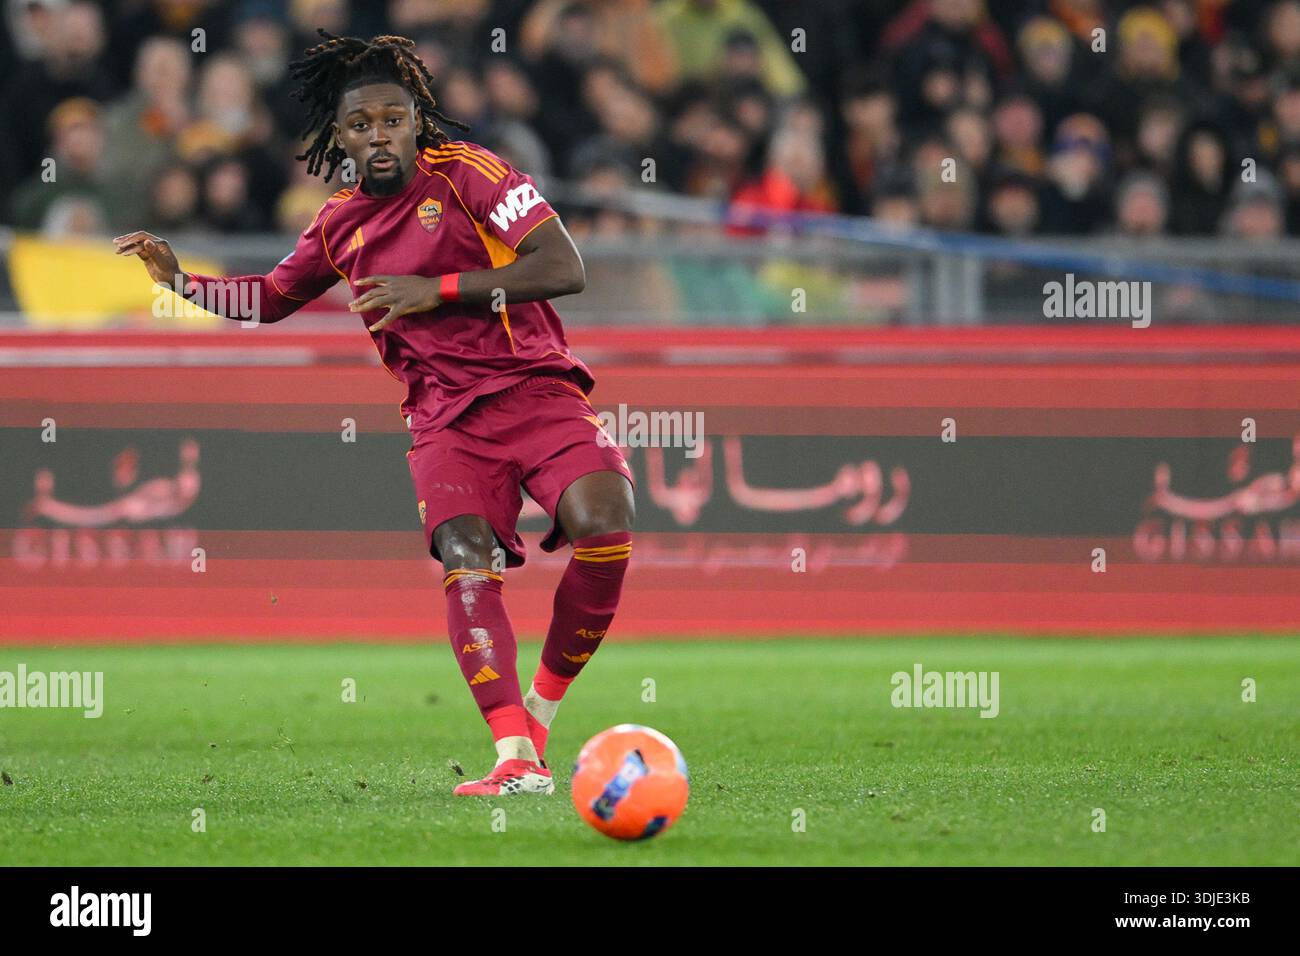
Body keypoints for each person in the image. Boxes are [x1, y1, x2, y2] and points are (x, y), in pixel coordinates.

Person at [113, 31, 635, 797]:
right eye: (361, 126)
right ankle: (513, 754)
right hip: (443, 422)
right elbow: (266, 301)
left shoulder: (474, 175)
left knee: (607, 522)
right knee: (465, 557)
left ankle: (542, 709)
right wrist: (182, 282)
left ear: (418, 118)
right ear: (341, 137)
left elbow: (564, 267)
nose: (378, 136)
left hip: (535, 388)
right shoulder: (337, 224)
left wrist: (441, 290)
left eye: (392, 118)